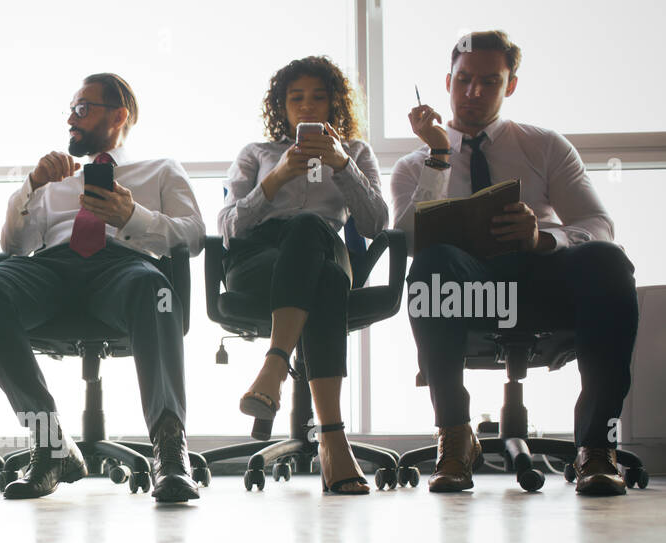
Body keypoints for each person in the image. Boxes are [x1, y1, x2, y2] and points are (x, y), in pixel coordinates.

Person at [394, 30, 638, 495]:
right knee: (431, 264)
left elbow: (598, 223)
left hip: (542, 282)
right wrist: (439, 156)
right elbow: (406, 241)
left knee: (607, 260)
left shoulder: (544, 145)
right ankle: (455, 437)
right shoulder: (416, 164)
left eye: (489, 82)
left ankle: (595, 447)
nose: (473, 93)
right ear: (447, 81)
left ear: (511, 86)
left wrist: (542, 238)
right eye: (464, 80)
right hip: (468, 293)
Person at [0, 73, 204, 502]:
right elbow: (14, 246)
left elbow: (194, 236)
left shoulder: (160, 170)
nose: (72, 117)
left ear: (119, 115)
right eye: (71, 109)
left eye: (83, 108)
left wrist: (132, 216)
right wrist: (30, 186)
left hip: (123, 268)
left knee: (154, 288)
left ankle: (169, 451)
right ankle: (49, 442)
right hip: (52, 271)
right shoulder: (54, 178)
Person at [218, 55, 388, 494]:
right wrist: (275, 178)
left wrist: (342, 165)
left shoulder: (355, 151)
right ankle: (333, 439)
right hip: (260, 260)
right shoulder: (256, 154)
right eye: (296, 98)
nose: (307, 107)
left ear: (334, 103)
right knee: (327, 280)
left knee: (313, 231)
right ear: (282, 106)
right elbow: (229, 227)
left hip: (325, 246)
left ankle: (273, 367)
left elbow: (374, 224)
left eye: (318, 97)